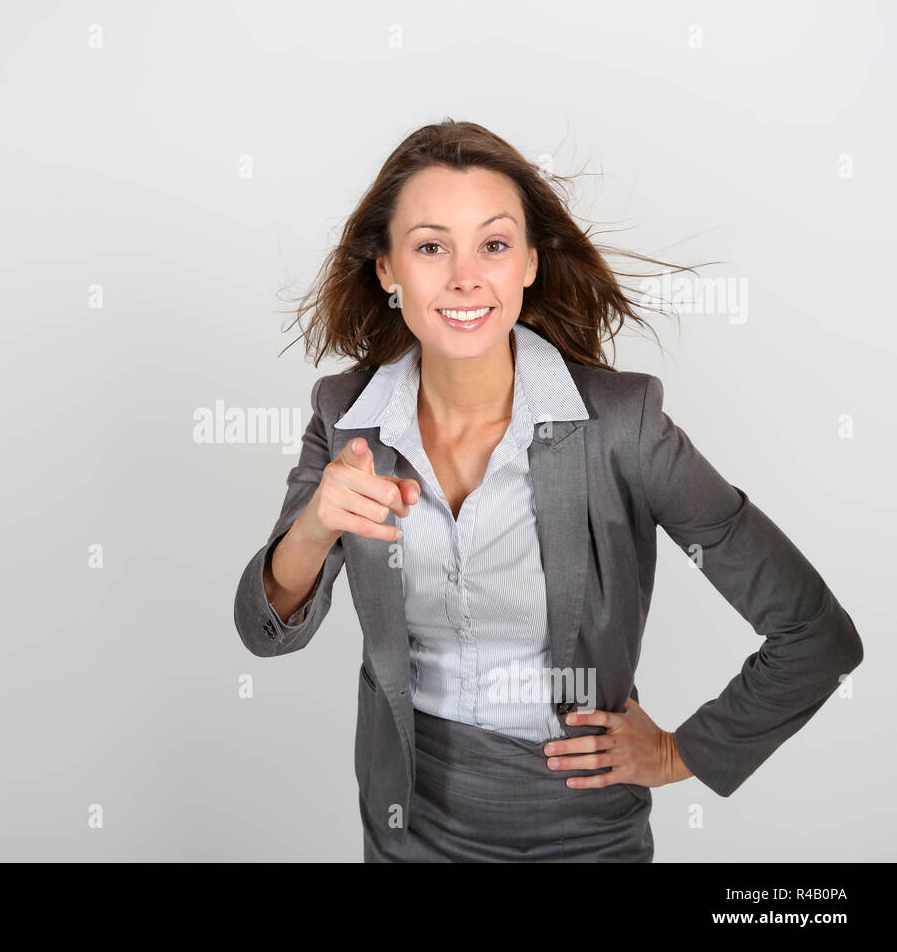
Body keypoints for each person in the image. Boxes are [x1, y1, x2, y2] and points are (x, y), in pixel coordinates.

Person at [231, 119, 863, 862]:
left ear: (529, 263)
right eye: (431, 246)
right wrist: (314, 526)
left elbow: (816, 636)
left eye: (493, 245)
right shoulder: (346, 417)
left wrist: (678, 753)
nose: (466, 277)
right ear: (387, 271)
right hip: (406, 824)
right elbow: (261, 632)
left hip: (583, 831)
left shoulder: (622, 426)